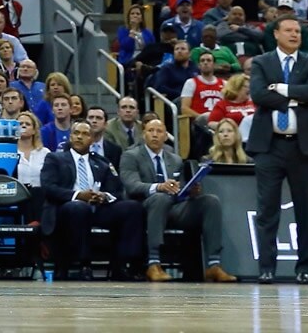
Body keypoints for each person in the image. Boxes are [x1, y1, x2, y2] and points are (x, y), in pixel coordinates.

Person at [247, 14, 308, 284]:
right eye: (289, 30)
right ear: (277, 34)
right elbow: (258, 94)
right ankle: (266, 268)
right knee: (267, 210)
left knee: (307, 211)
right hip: (269, 146)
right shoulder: (261, 61)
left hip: (304, 148)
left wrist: (282, 89)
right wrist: (295, 99)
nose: (295, 35)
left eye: (298, 31)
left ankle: (306, 268)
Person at [119, 117, 234, 282]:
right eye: (150, 131)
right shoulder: (131, 156)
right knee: (160, 198)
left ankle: (213, 265)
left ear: (166, 136)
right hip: (143, 207)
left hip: (174, 207)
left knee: (211, 201)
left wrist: (191, 191)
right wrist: (159, 187)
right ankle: (153, 263)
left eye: (159, 131)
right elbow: (132, 185)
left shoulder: (175, 159)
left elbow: (179, 188)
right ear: (143, 134)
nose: (154, 135)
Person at [40, 121, 146, 281]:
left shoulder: (102, 162)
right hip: (66, 207)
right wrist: (78, 195)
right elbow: (49, 187)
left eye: (85, 134)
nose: (80, 137)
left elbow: (117, 190)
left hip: (98, 206)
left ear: (92, 140)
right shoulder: (55, 158)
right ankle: (84, 264)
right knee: (79, 209)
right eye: (76, 133)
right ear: (70, 136)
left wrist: (104, 196)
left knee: (133, 208)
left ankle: (123, 264)